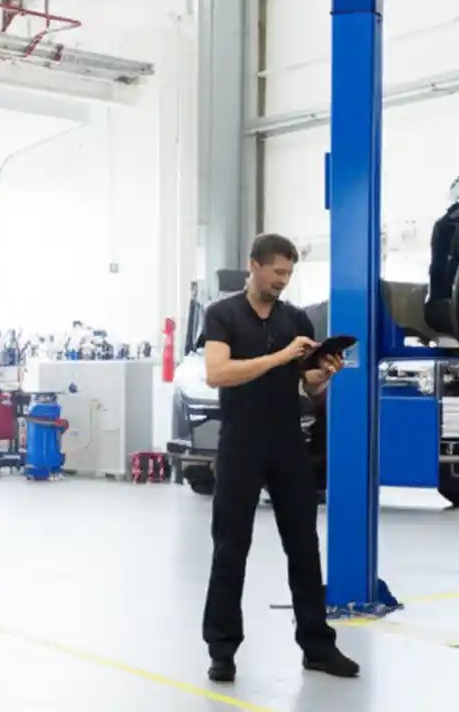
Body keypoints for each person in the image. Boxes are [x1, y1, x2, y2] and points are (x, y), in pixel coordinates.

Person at [199, 233, 360, 683]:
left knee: (304, 546)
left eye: (289, 273)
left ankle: (316, 646)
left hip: (287, 439)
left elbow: (304, 383)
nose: (283, 281)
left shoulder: (295, 318)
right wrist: (278, 357)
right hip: (241, 442)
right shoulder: (222, 314)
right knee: (231, 546)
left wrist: (321, 377)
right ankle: (222, 650)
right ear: (254, 266)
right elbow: (217, 373)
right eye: (277, 273)